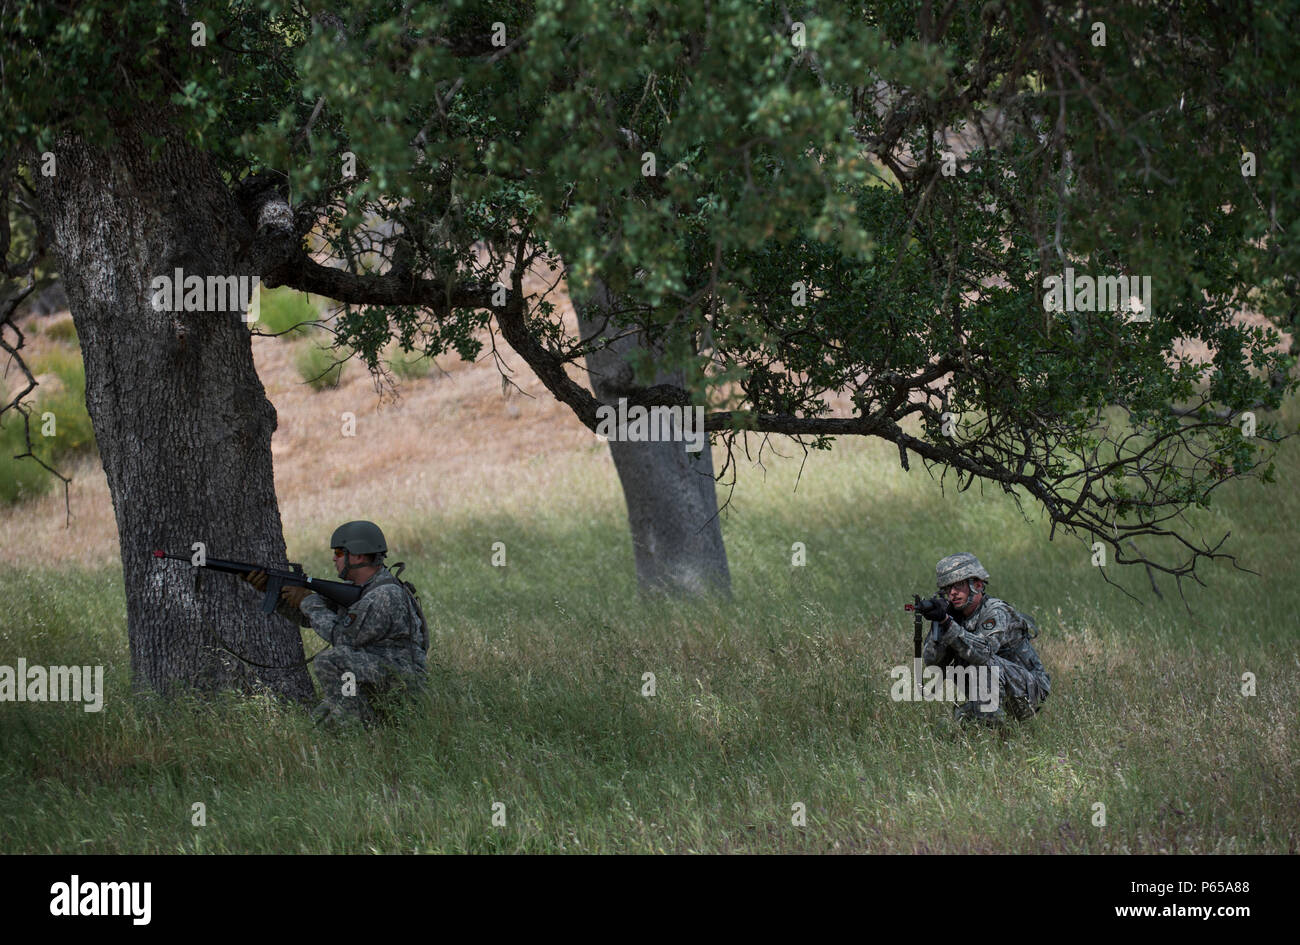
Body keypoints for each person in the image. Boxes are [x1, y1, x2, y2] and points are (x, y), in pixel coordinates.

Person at [245, 521, 428, 726]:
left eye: (339, 552)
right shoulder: (360, 588)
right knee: (318, 724)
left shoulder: (384, 595)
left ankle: (359, 726)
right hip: (375, 671)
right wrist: (276, 592)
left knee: (331, 660)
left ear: (358, 556)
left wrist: (308, 600)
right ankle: (359, 719)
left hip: (403, 681)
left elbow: (343, 638)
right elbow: (312, 618)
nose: (334, 558)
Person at [916, 552, 1050, 724]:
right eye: (948, 588)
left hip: (1029, 693)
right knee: (957, 722)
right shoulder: (953, 615)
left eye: (959, 585)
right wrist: (941, 623)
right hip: (996, 694)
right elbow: (933, 661)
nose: (953, 593)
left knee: (982, 664)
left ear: (977, 585)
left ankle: (993, 728)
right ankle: (991, 723)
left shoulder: (995, 611)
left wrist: (948, 623)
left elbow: (983, 654)